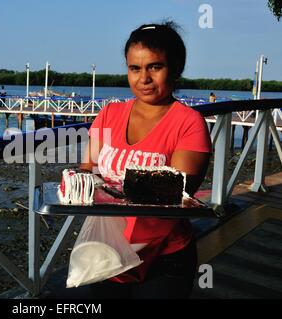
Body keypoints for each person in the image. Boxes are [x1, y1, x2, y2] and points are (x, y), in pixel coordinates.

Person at [79, 21, 212, 299]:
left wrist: (108, 188)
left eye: (155, 67)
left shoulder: (189, 123)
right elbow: (87, 169)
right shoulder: (109, 114)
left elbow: (178, 192)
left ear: (175, 69)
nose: (143, 79)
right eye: (134, 68)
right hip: (106, 250)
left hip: (164, 257)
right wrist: (79, 184)